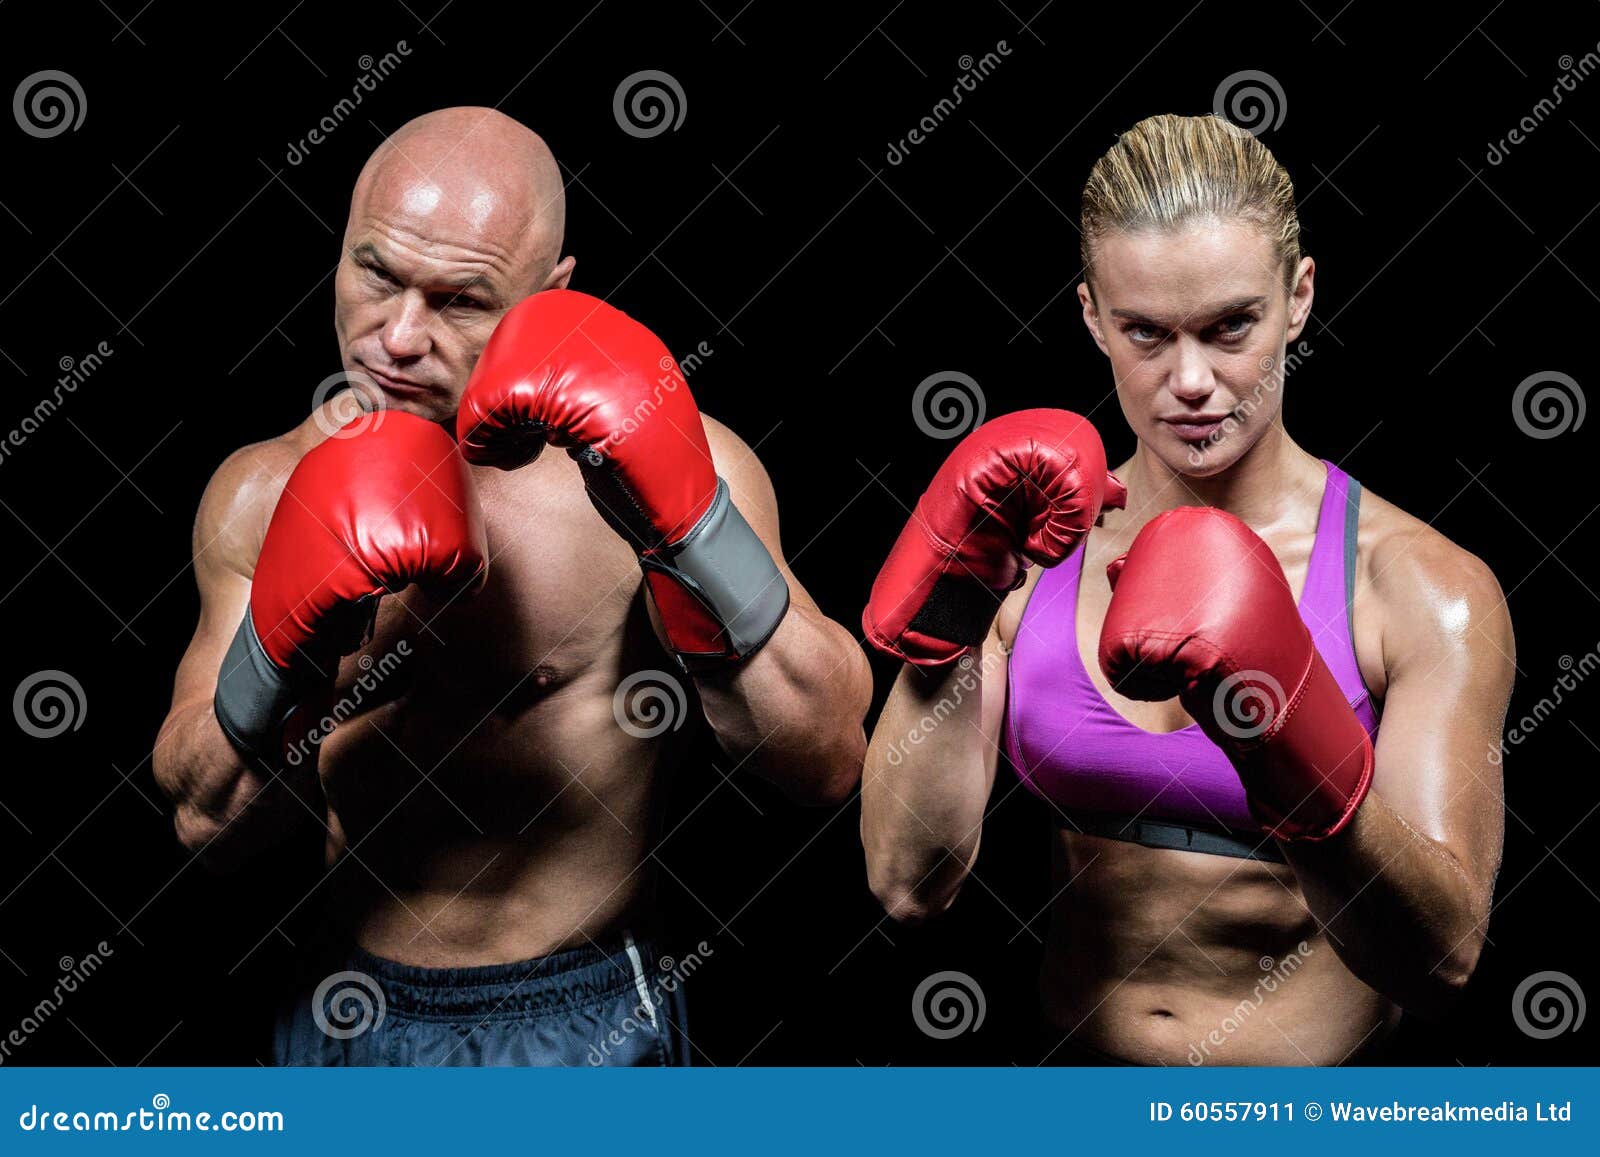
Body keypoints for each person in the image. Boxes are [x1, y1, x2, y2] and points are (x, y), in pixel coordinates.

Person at [153, 107, 870, 1066]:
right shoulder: (264, 491)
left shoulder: (666, 463)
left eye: (459, 300)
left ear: (550, 294)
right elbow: (207, 822)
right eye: (376, 273)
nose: (397, 337)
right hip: (355, 1016)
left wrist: (691, 536)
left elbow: (825, 760)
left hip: (592, 1017)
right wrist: (290, 650)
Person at [860, 113, 1512, 1066]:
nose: (1193, 380)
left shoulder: (1416, 586)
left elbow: (1440, 963)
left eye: (1230, 326)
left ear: (1299, 297)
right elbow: (908, 883)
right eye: (1146, 334)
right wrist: (955, 606)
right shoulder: (1033, 547)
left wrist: (1283, 730)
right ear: (1091, 317)